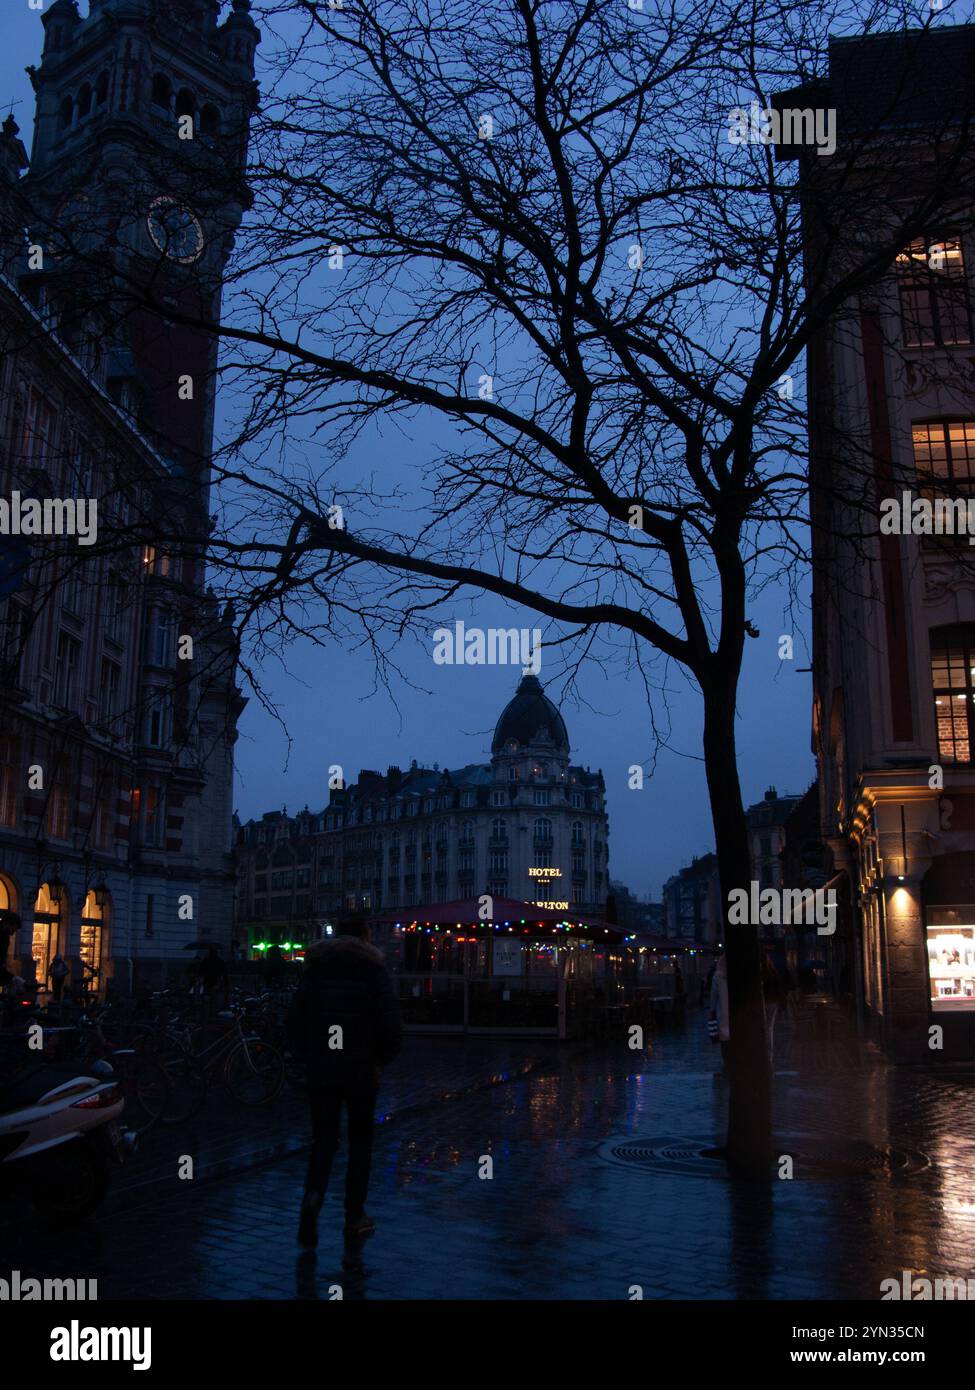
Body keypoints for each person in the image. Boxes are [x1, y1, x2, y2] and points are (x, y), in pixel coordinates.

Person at [286, 920, 402, 1246]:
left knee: (323, 1141)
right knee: (360, 1145)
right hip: (361, 1072)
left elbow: (294, 1020)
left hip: (321, 1071)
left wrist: (308, 1056)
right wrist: (380, 1059)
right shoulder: (374, 971)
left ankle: (312, 1197)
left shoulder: (315, 970)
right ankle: (354, 1216)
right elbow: (391, 1024)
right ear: (366, 936)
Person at [708, 952, 730, 1066]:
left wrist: (711, 1010)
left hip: (722, 1011)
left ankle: (726, 1060)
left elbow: (713, 995)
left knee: (724, 1037)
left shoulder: (717, 976)